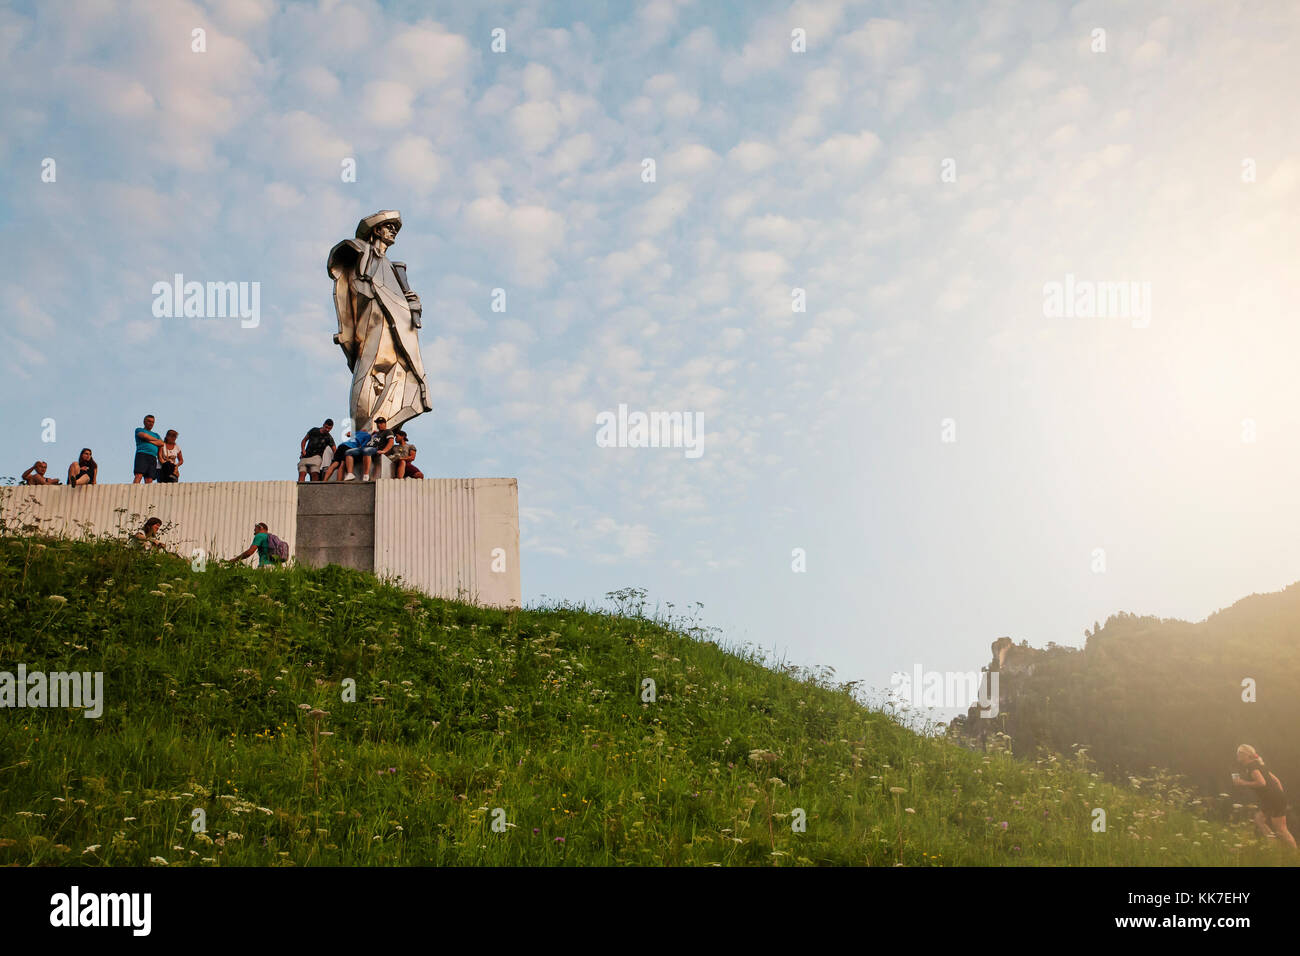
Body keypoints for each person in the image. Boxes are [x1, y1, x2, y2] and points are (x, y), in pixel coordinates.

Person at [1233, 744, 1296, 848]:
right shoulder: (1258, 765)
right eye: (1237, 752)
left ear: (1247, 755)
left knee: (1281, 829)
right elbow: (1276, 780)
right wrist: (1280, 795)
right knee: (1259, 819)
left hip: (1274, 800)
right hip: (1273, 799)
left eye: (1240, 752)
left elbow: (1262, 783)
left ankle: (1295, 855)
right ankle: (1274, 845)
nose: (1237, 754)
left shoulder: (1252, 767)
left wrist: (1242, 782)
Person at [345, 416, 392, 481]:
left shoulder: (388, 431)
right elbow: (348, 434)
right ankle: (350, 474)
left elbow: (391, 442)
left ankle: (366, 475)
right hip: (365, 448)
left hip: (375, 449)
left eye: (381, 423)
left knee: (367, 450)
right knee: (348, 452)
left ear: (385, 424)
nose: (378, 425)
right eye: (377, 423)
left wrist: (384, 451)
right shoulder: (375, 433)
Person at [133, 414, 164, 484]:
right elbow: (143, 435)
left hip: (153, 457)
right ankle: (133, 492)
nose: (151, 423)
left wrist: (148, 440)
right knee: (139, 475)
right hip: (142, 454)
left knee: (149, 479)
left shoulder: (156, 434)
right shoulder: (139, 429)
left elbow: (162, 443)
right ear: (144, 422)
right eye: (149, 421)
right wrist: (156, 441)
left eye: (153, 422)